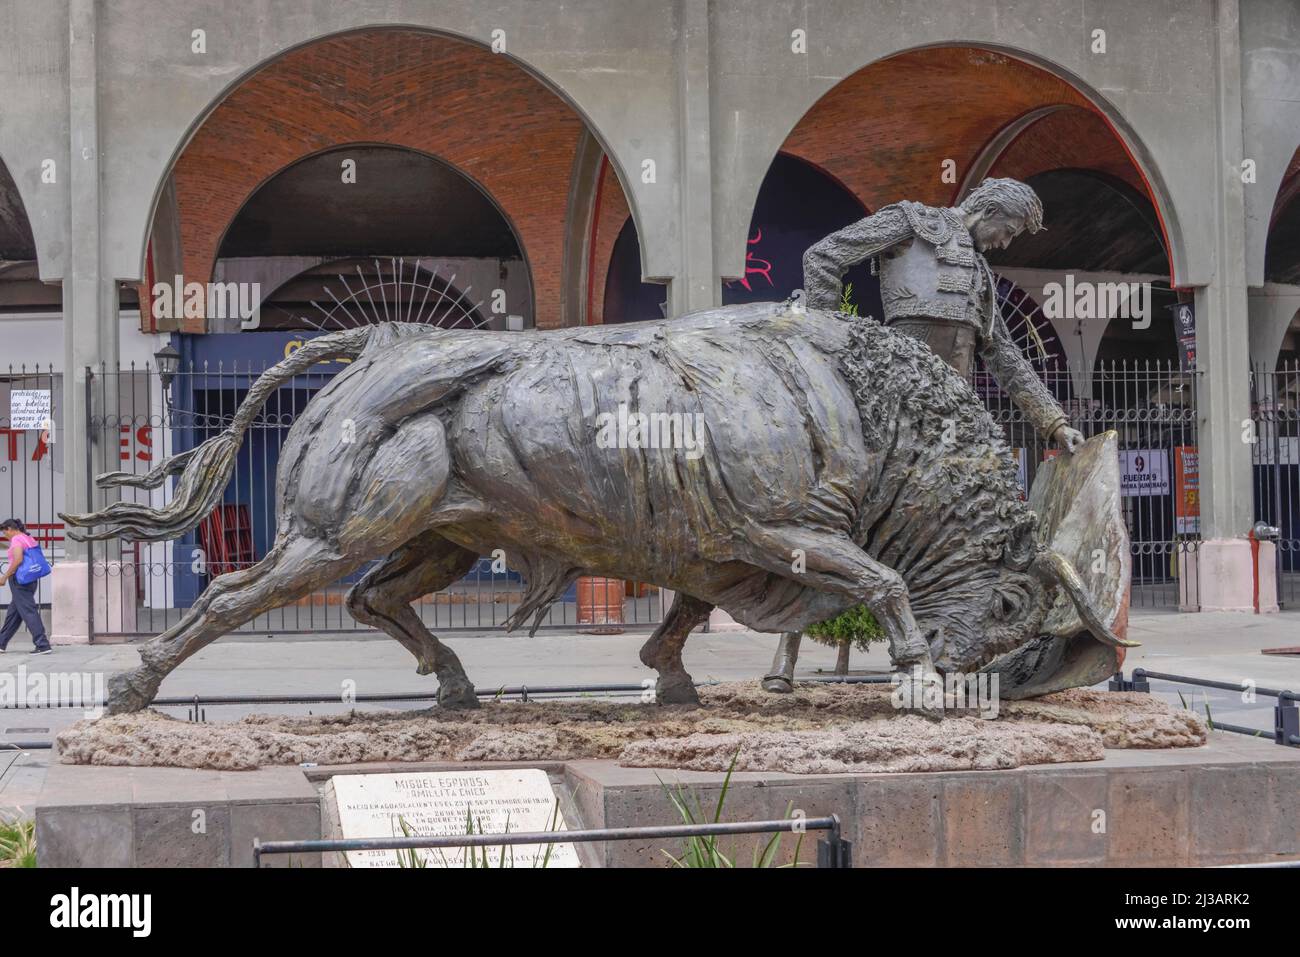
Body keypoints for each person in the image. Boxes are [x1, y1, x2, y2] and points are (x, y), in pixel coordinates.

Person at [764, 178, 1085, 693]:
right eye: (1011, 230)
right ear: (991, 209)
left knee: (940, 542)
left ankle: (934, 650)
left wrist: (1053, 422)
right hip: (891, 412)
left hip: (945, 430)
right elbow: (824, 257)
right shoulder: (910, 222)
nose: (1008, 242)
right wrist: (830, 346)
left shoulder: (980, 273)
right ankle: (785, 654)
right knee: (837, 522)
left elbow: (1002, 354)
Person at [0, 519, 53, 655]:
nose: (5, 535)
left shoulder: (17, 539)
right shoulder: (28, 537)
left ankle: (42, 644)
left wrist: (5, 576)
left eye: (5, 532)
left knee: (29, 611)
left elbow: (18, 559)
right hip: (31, 579)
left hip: (20, 580)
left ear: (10, 529)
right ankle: (1, 642)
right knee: (14, 613)